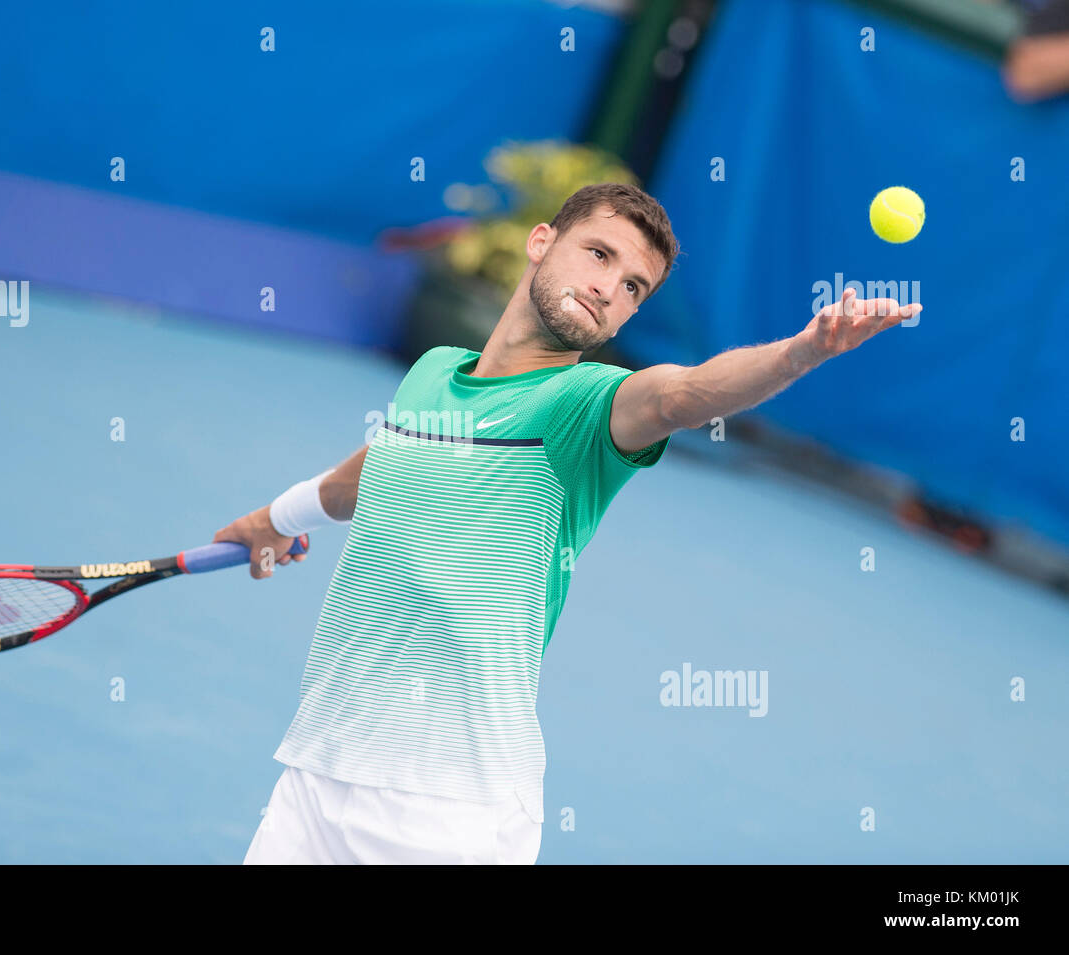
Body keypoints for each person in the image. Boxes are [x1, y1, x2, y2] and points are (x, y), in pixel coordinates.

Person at [214, 182, 922, 864]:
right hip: (316, 767)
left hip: (446, 811)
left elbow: (684, 393)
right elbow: (378, 468)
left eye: (635, 286)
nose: (611, 284)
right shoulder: (433, 371)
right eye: (599, 253)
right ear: (541, 241)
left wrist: (803, 350)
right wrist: (276, 517)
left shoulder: (583, 408)